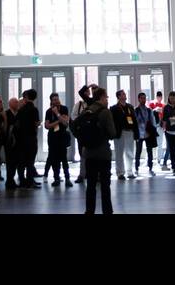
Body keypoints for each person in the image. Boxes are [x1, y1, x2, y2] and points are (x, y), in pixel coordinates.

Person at [76, 85, 117, 214]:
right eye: (106, 97)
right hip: (103, 153)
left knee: (91, 185)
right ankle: (107, 211)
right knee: (105, 185)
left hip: (89, 153)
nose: (107, 100)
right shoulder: (105, 112)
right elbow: (112, 133)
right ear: (102, 97)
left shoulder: (86, 110)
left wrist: (83, 141)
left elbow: (75, 127)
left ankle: (89, 211)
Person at [14, 89, 42, 187]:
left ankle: (22, 181)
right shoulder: (34, 109)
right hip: (31, 138)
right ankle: (30, 181)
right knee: (30, 161)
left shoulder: (21, 110)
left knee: (21, 161)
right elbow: (36, 123)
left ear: (26, 97)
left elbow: (17, 124)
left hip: (21, 139)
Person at [43, 92, 72, 187]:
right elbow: (47, 126)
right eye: (54, 100)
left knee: (64, 158)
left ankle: (67, 178)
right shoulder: (48, 111)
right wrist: (59, 120)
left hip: (62, 136)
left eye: (57, 99)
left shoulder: (64, 109)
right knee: (54, 159)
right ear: (51, 101)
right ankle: (56, 178)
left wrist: (57, 114)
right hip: (52, 137)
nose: (56, 101)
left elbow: (66, 123)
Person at [110, 89, 136, 180]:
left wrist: (136, 132)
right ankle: (120, 173)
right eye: (123, 94)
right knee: (119, 153)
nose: (125, 95)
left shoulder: (130, 107)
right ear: (119, 97)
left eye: (125, 94)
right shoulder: (114, 108)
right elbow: (112, 122)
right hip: (119, 133)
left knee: (130, 153)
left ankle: (130, 171)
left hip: (130, 132)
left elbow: (134, 120)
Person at [133, 92, 158, 176]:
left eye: (144, 98)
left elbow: (153, 121)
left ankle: (150, 168)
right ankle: (136, 168)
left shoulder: (149, 110)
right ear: (138, 99)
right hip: (139, 134)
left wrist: (152, 131)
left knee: (149, 151)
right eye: (142, 98)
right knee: (138, 151)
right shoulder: (136, 110)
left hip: (148, 133)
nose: (143, 100)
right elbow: (134, 123)